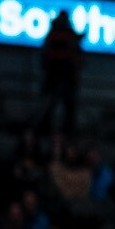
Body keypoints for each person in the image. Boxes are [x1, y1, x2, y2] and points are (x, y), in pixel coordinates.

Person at [38, 9, 83, 137]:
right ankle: (50, 130)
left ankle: (63, 131)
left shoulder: (58, 34)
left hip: (61, 76)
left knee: (63, 105)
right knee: (52, 105)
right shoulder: (62, 34)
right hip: (57, 76)